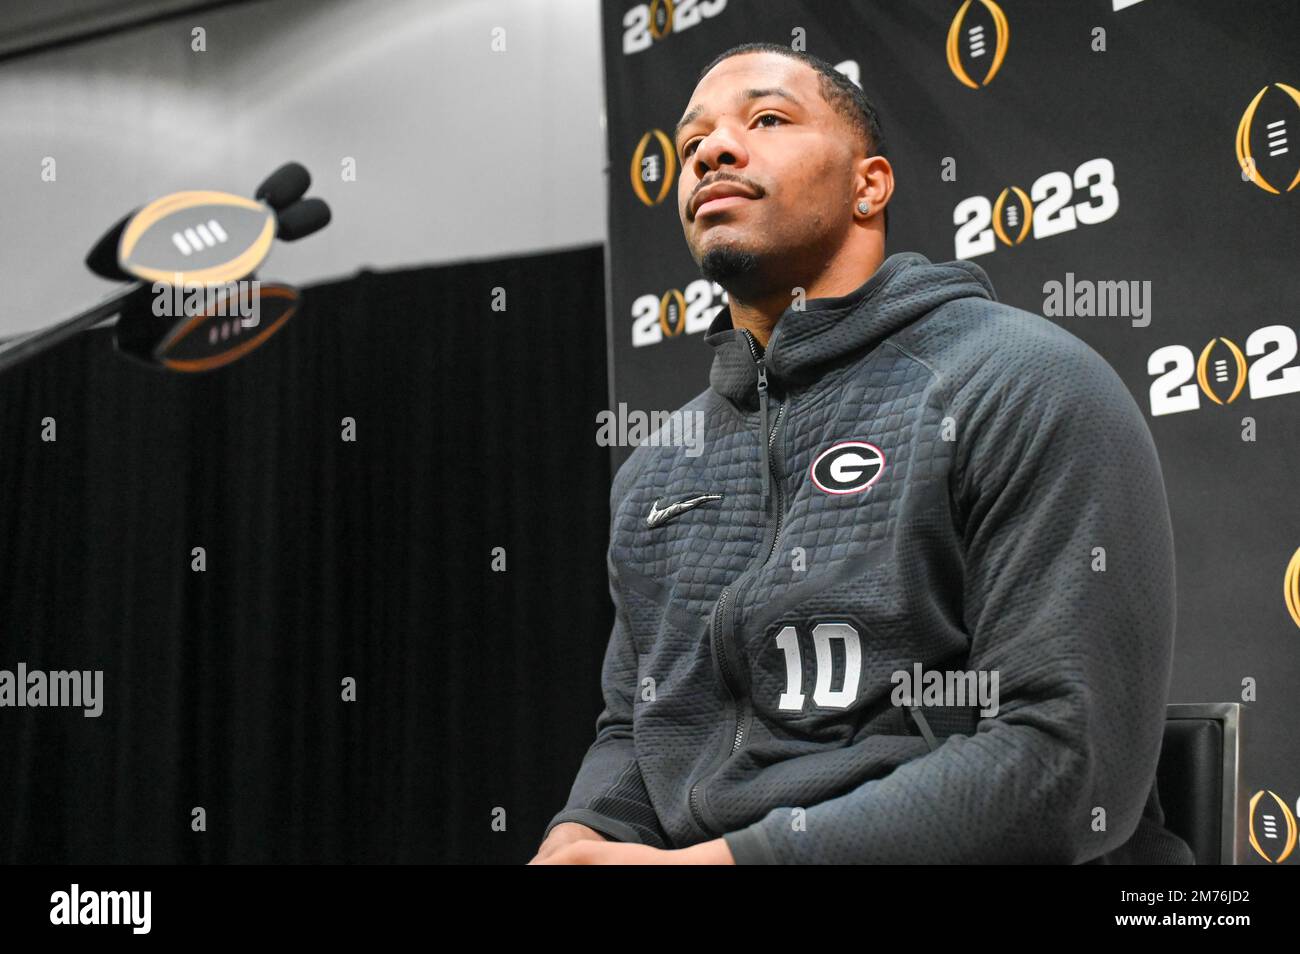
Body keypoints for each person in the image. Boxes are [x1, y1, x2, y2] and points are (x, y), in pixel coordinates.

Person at [530, 43, 1193, 865]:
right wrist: (581, 834)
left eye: (767, 119)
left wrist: (723, 865)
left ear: (868, 184)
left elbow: (1062, 764)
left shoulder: (1021, 383)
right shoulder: (659, 471)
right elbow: (639, 728)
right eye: (691, 141)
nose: (711, 151)